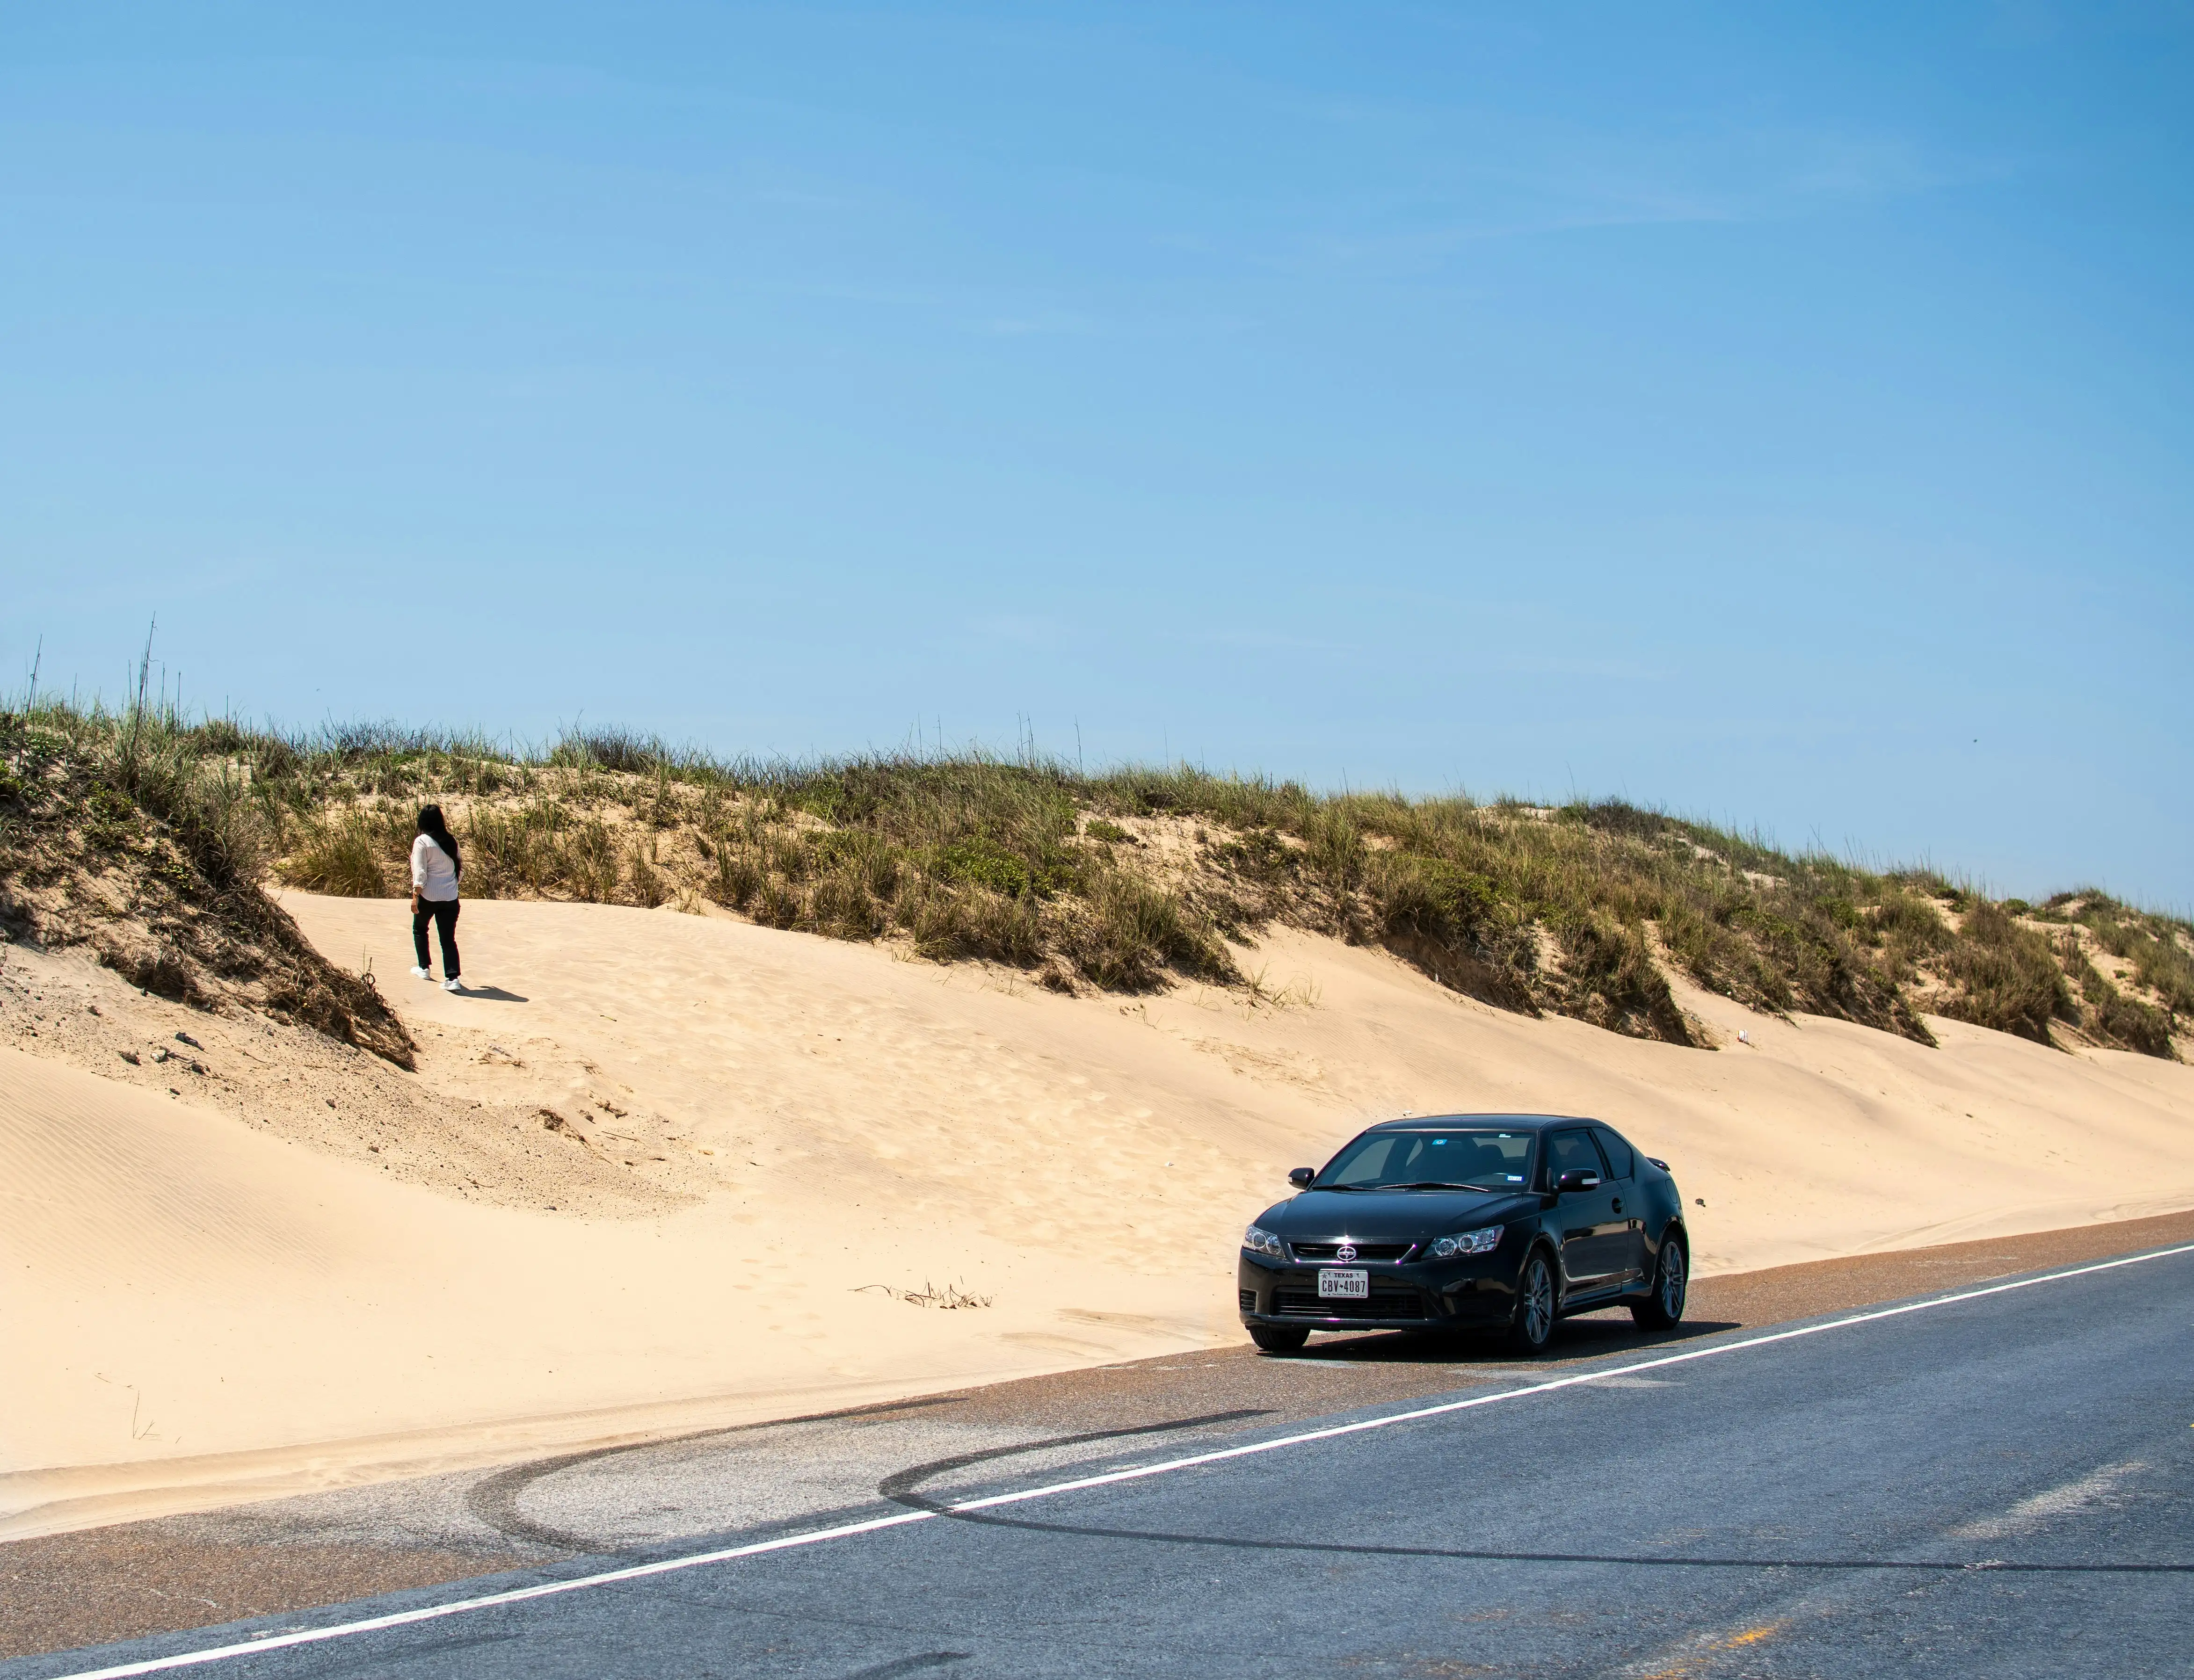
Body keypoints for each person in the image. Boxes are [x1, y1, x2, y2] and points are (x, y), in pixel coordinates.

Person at [409, 804, 465, 992]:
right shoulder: (451, 840)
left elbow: (420, 871)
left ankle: (424, 968)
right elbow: (460, 868)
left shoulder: (422, 841)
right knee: (448, 939)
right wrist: (451, 885)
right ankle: (453, 978)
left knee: (420, 929)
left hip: (429, 896)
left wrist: (416, 895)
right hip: (450, 897)